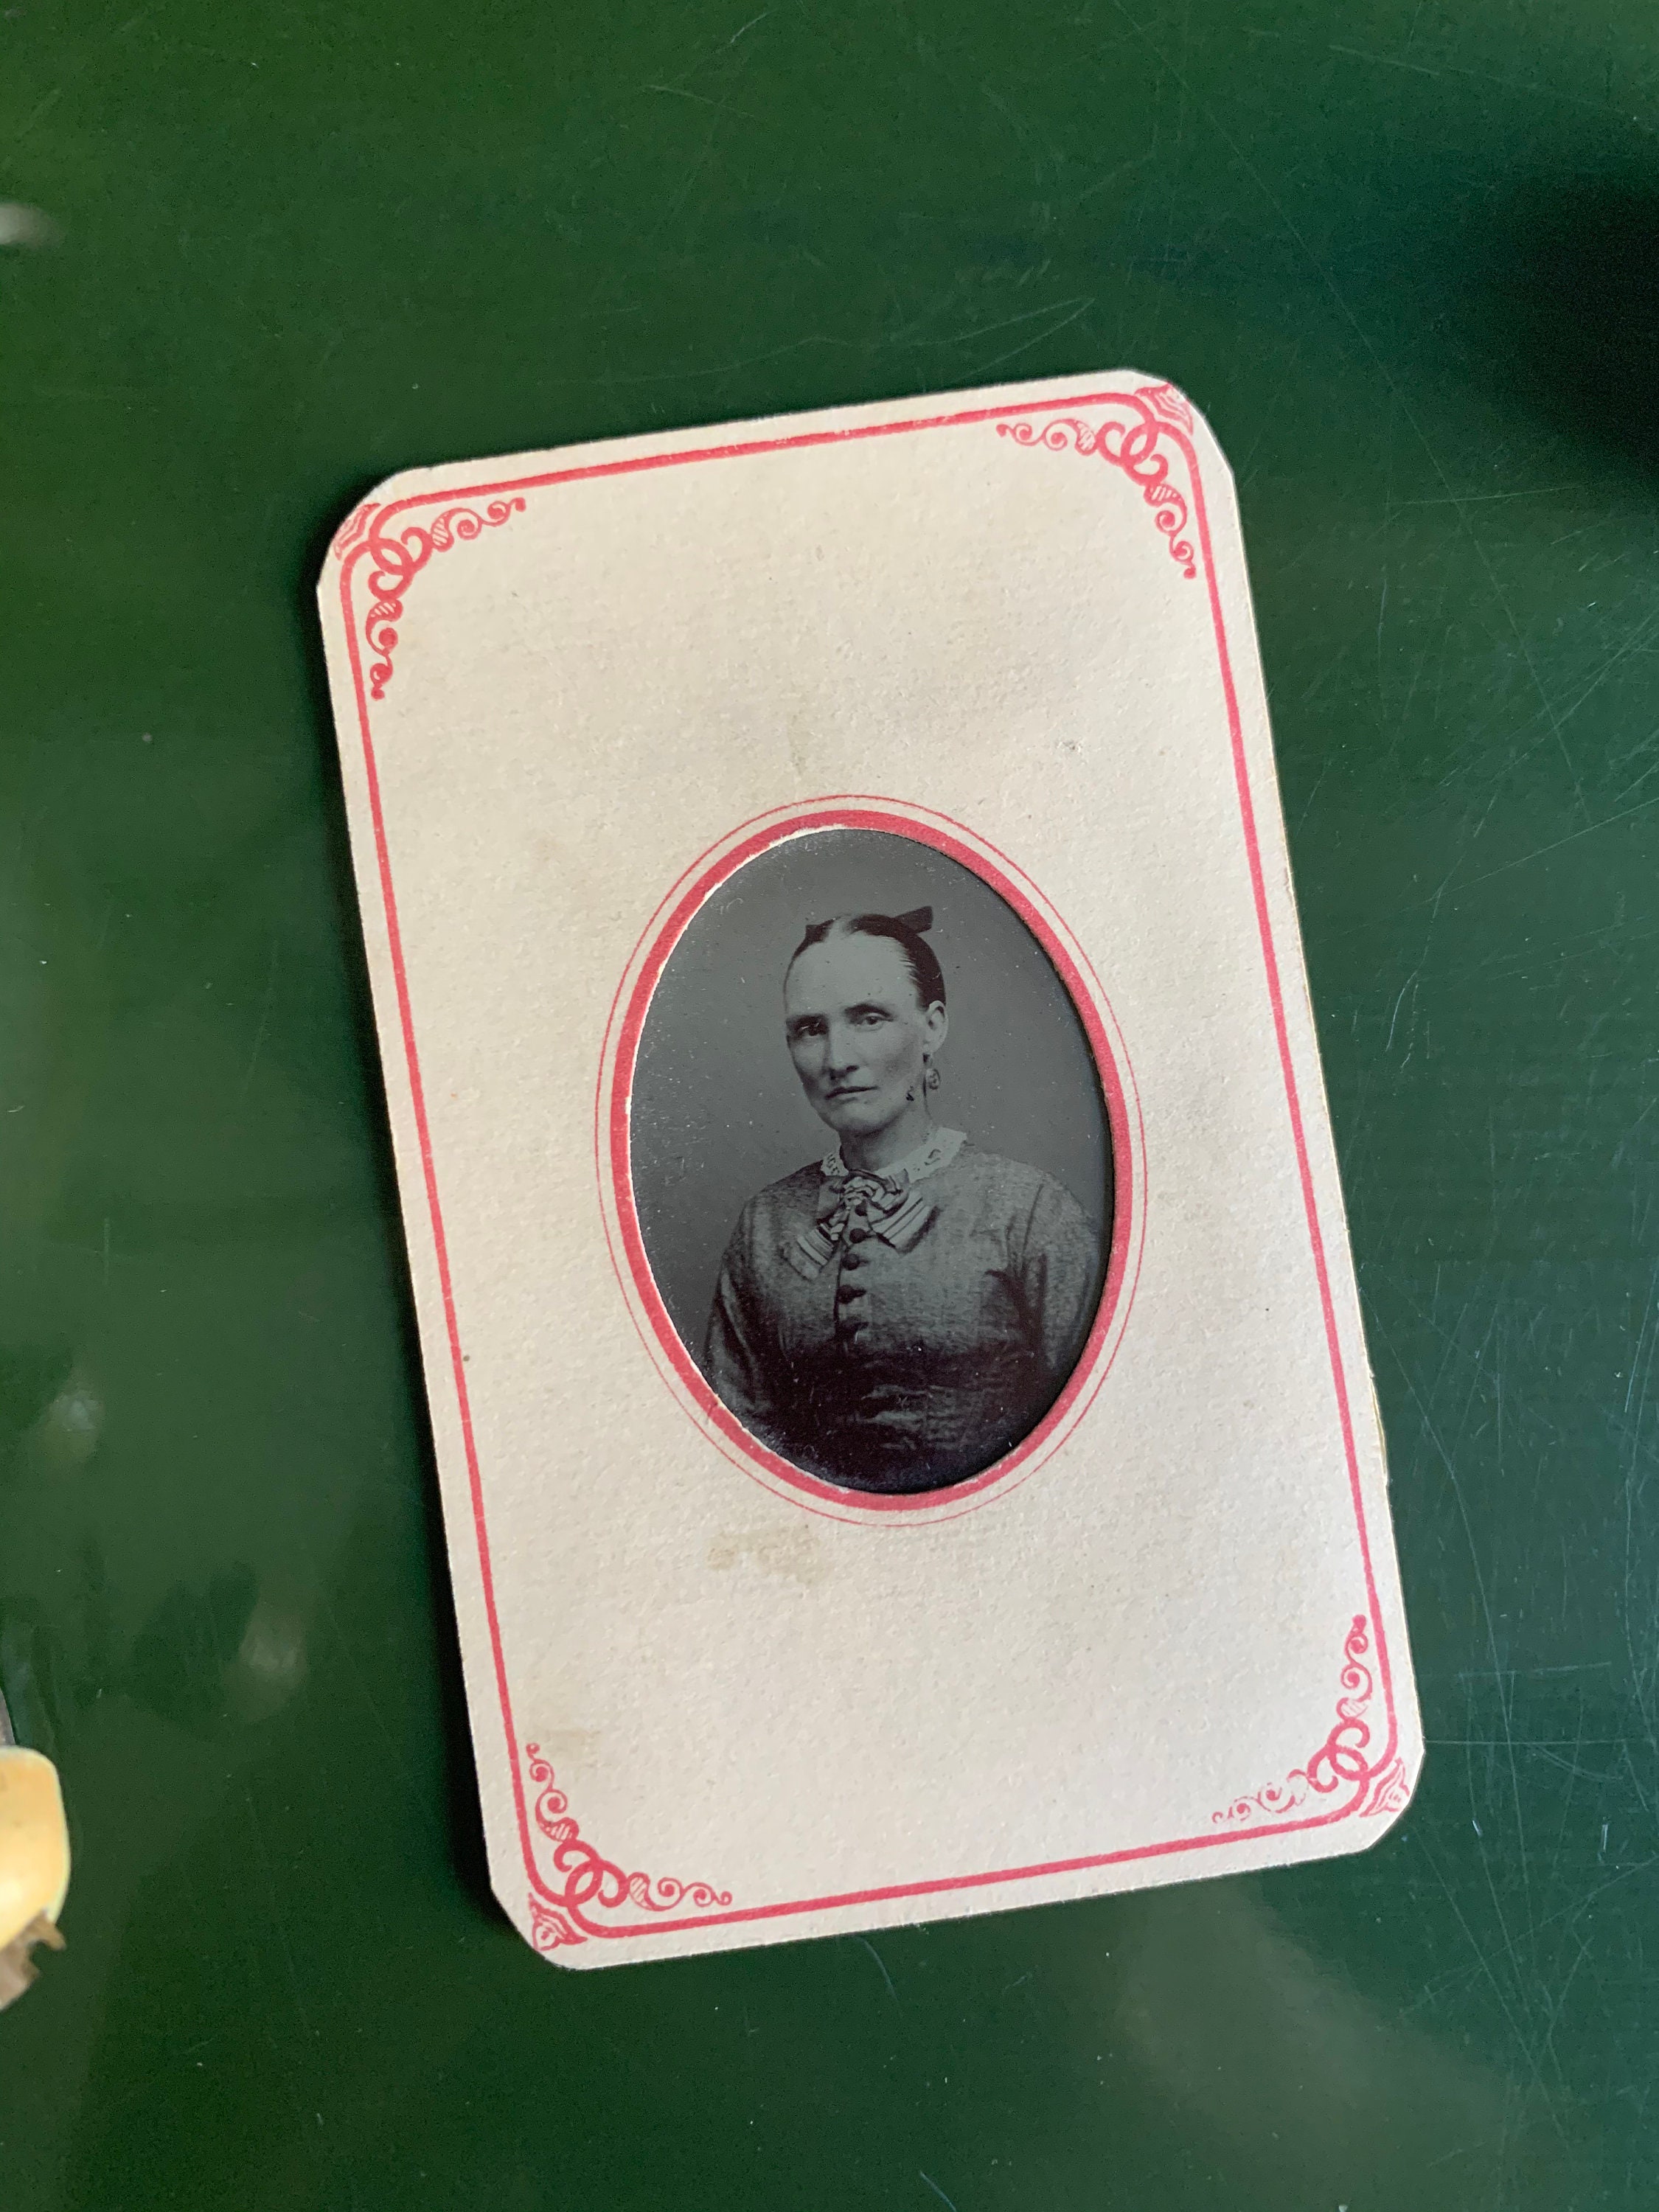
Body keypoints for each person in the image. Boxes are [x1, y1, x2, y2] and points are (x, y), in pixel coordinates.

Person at [703, 906, 1103, 1494]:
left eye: (868, 1019)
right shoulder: (766, 1225)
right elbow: (734, 1451)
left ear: (932, 1027)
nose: (837, 1059)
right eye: (811, 1029)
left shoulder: (1028, 1212)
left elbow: (1094, 1436)